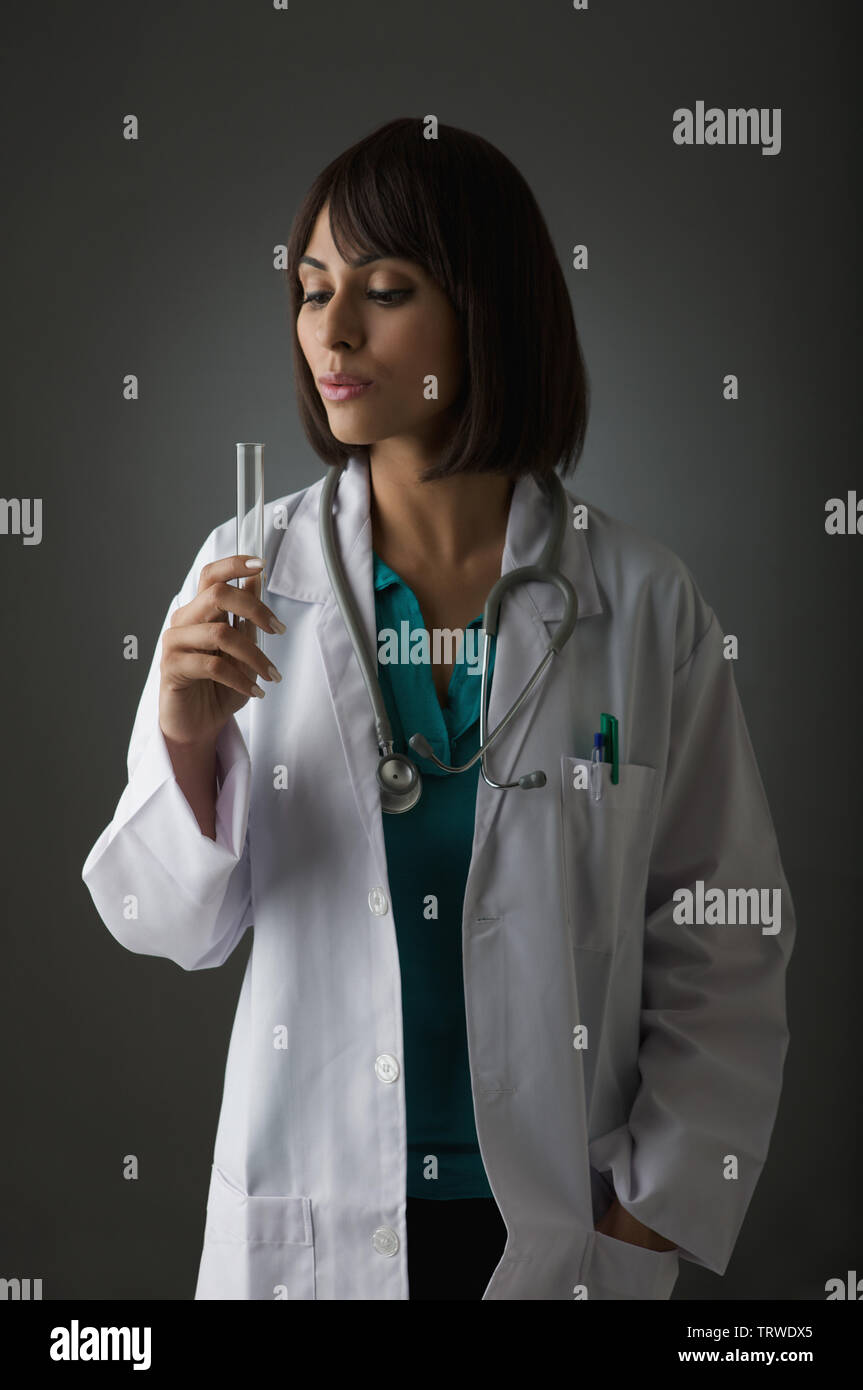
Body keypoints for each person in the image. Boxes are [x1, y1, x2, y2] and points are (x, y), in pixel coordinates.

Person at [82, 116, 795, 1301]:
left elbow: (724, 935)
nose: (332, 331)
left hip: (558, 1230)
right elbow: (168, 924)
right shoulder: (246, 575)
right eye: (312, 290)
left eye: (383, 290)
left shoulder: (639, 601)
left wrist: (646, 1217)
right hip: (312, 1229)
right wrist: (186, 737)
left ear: (486, 307)